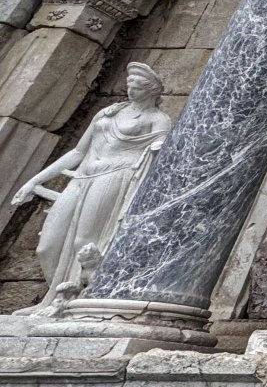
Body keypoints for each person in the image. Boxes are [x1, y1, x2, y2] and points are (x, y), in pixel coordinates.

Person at [9, 61, 173, 315]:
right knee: (48, 244)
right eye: (129, 85)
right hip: (83, 176)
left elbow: (163, 151)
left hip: (115, 176)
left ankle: (79, 298)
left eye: (138, 86)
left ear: (152, 90)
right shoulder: (109, 112)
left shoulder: (158, 119)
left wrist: (159, 149)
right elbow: (77, 151)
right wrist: (34, 181)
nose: (131, 90)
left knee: (85, 242)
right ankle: (54, 297)